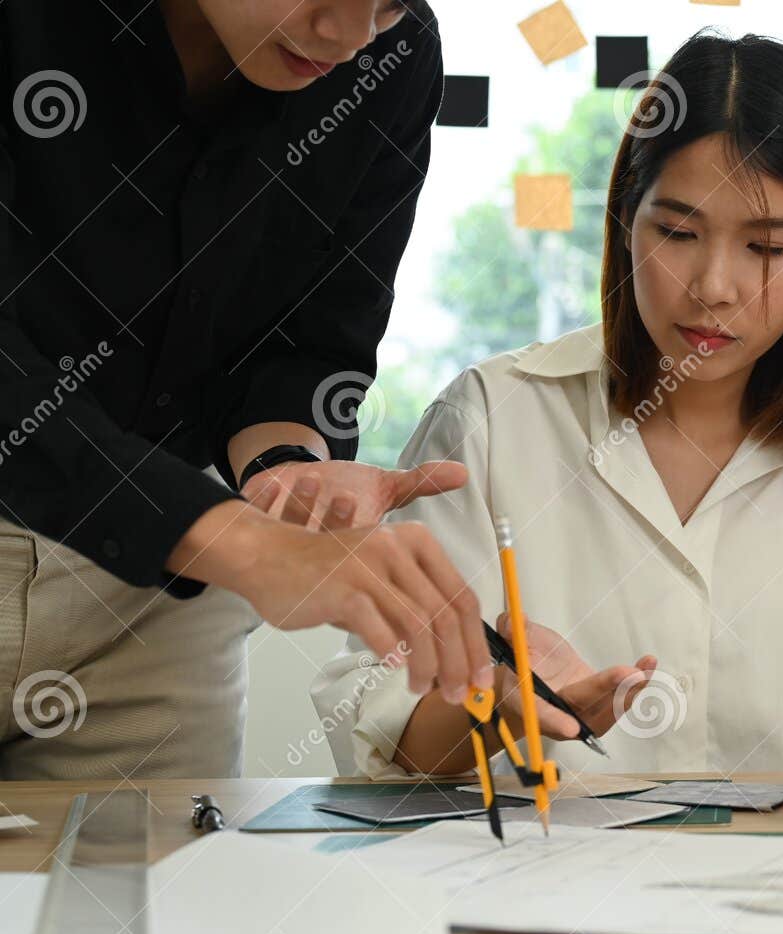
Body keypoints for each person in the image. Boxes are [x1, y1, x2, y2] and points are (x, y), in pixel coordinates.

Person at [313, 31, 783, 782]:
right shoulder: (494, 419)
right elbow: (381, 736)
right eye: (679, 232)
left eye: (767, 248)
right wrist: (498, 708)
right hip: (550, 887)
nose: (715, 286)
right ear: (625, 220)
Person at [0, 1, 495, 779]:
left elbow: (308, 343)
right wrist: (239, 542)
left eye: (390, 1)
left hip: (156, 605)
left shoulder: (392, 58)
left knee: (162, 894)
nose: (352, 34)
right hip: (190, 537)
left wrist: (286, 474)